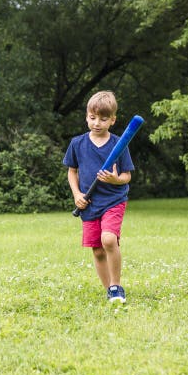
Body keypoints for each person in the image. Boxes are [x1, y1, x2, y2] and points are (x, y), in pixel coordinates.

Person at [63, 91, 134, 303]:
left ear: (112, 120)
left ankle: (116, 285)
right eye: (93, 118)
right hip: (89, 203)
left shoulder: (119, 143)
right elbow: (72, 171)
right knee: (97, 250)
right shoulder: (77, 143)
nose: (97, 123)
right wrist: (77, 194)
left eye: (103, 119)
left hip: (113, 200)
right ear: (86, 117)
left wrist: (115, 180)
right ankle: (110, 291)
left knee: (109, 240)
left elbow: (127, 176)